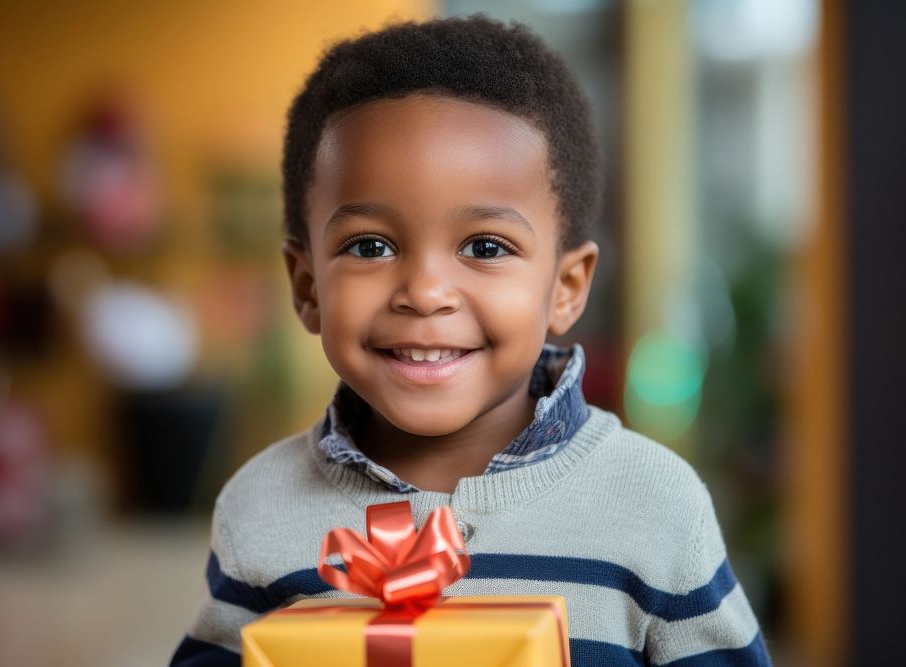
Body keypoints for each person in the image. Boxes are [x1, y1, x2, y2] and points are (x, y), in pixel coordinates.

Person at [171, 15, 770, 666]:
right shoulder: (260, 508)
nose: (425, 292)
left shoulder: (653, 504)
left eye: (485, 247)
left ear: (566, 287)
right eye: (370, 246)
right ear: (307, 284)